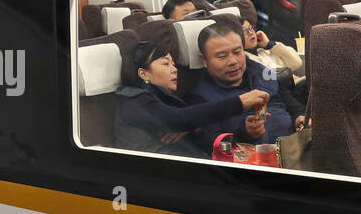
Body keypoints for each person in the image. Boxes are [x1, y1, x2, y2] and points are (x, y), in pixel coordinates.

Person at [114, 39, 269, 157]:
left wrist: (246, 133)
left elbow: (209, 143)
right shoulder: (134, 101)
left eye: (174, 64)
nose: (174, 70)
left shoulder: (168, 100)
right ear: (143, 73)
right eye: (165, 64)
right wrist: (239, 102)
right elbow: (177, 120)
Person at [187, 23, 294, 145]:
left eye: (237, 52)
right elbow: (213, 143)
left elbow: (289, 102)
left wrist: (299, 117)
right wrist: (245, 133)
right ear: (204, 60)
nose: (233, 61)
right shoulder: (199, 99)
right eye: (222, 56)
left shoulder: (259, 71)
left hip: (292, 147)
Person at [237, 18, 307, 122]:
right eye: (245, 31)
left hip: (295, 87)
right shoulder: (246, 61)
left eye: (251, 28)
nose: (251, 32)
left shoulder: (266, 50)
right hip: (286, 92)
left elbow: (297, 63)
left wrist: (269, 44)